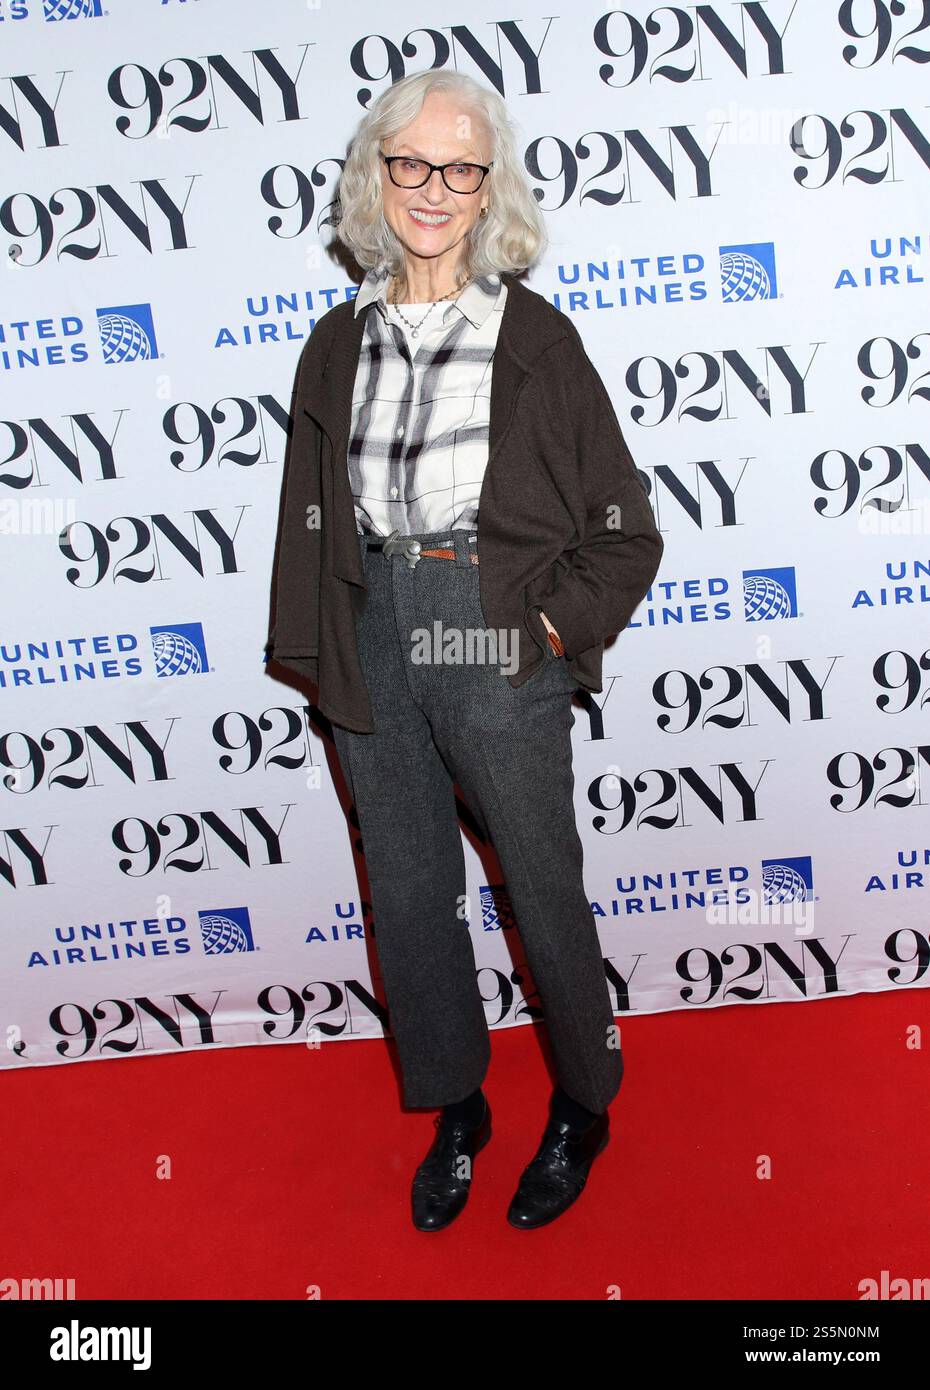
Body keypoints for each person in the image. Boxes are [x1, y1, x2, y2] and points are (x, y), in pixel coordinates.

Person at [267, 69, 664, 1231]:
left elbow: (624, 533)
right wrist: (327, 652)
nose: (432, 189)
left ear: (490, 186)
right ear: (375, 173)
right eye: (410, 163)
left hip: (486, 617)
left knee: (542, 885)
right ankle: (458, 1107)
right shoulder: (333, 346)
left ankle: (586, 1102)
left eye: (460, 166)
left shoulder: (537, 340)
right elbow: (313, 518)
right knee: (411, 889)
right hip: (373, 625)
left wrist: (541, 634)